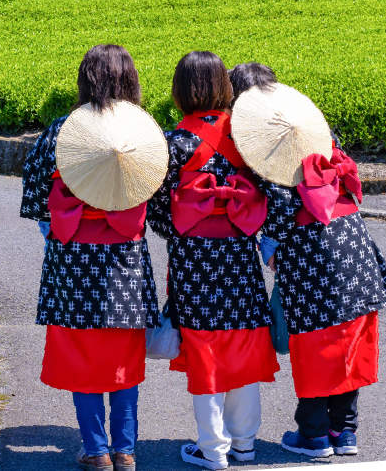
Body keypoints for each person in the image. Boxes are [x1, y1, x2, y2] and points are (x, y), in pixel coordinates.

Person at [232, 64, 386, 460]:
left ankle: (315, 436)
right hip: (351, 239)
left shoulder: (262, 141)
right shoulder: (308, 123)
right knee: (350, 336)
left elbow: (281, 207)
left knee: (314, 343)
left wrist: (267, 247)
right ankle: (345, 433)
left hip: (311, 250)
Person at [20, 44, 168, 471]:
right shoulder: (141, 131)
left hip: (74, 262)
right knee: (124, 359)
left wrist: (62, 230)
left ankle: (96, 450)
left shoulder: (62, 130)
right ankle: (125, 449)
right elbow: (158, 197)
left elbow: (35, 198)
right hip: (124, 259)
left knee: (82, 358)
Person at [147, 52, 276, 470]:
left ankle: (213, 449)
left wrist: (187, 228)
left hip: (194, 262)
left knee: (204, 348)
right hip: (240, 258)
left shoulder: (172, 144)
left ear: (180, 92)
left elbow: (158, 213)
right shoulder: (245, 139)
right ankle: (245, 444)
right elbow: (272, 198)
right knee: (243, 344)